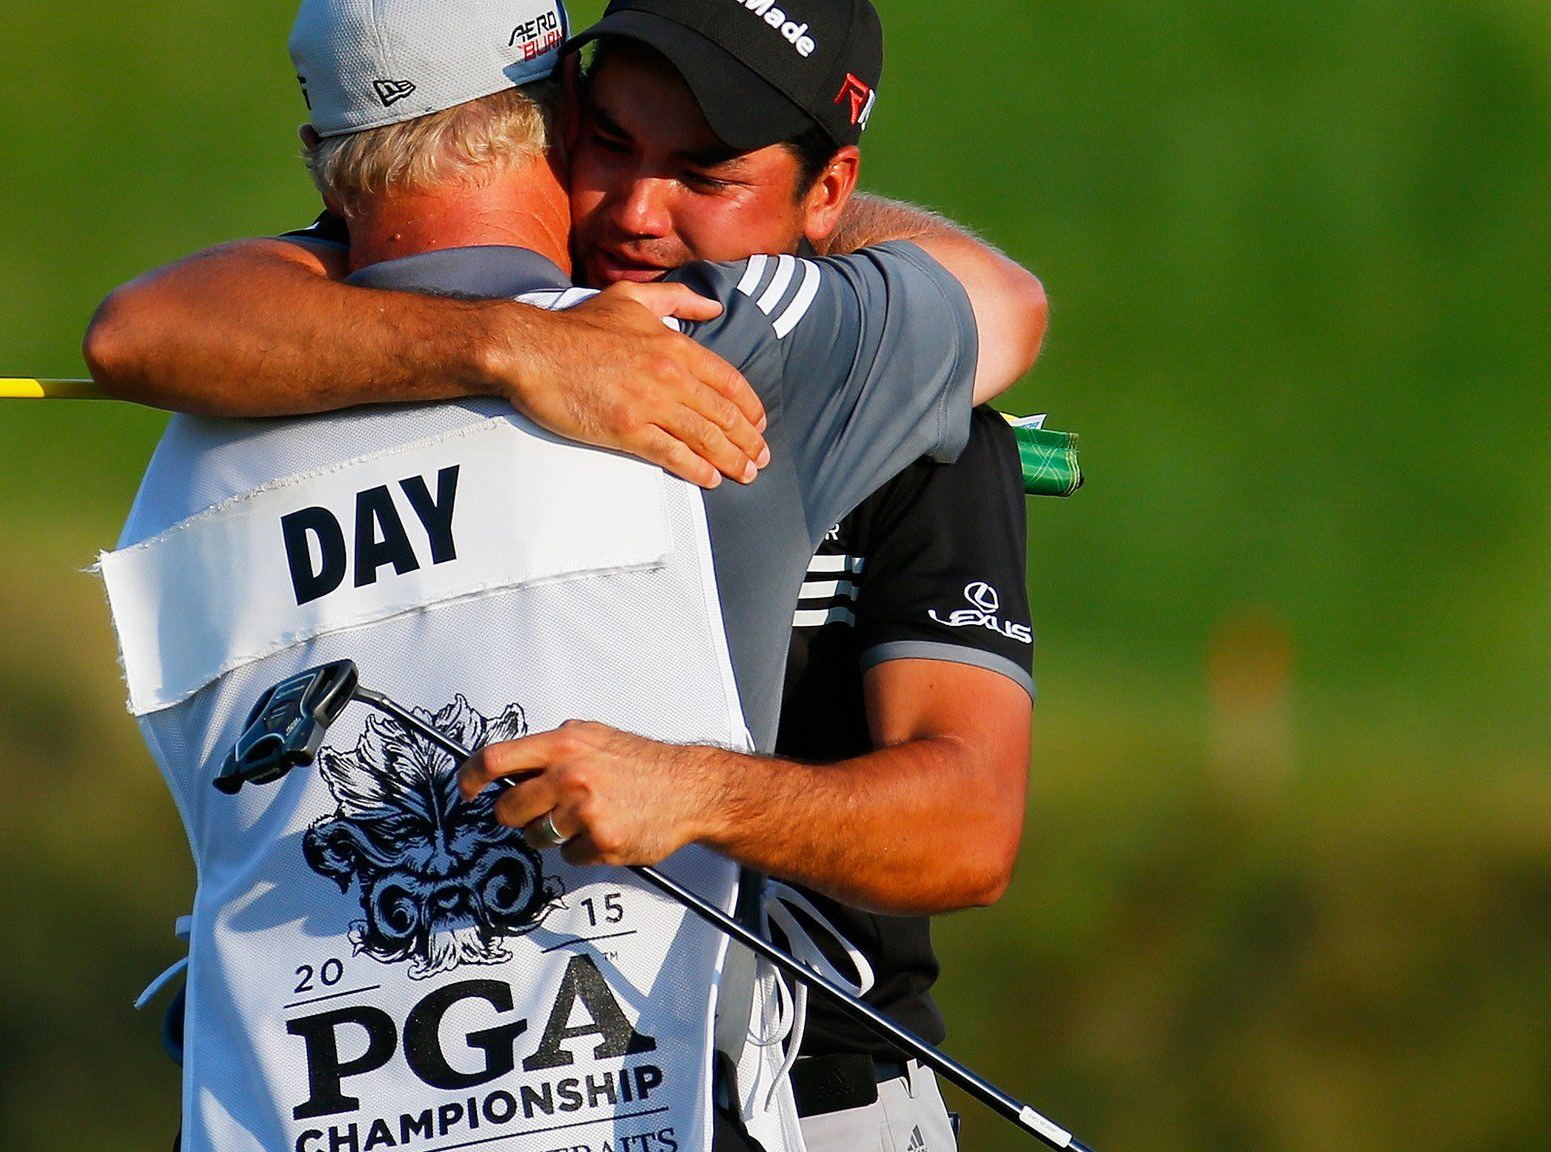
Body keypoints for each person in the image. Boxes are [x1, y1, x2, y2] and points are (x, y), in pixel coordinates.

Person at [88, 4, 1043, 1151]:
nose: (639, 214)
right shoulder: (336, 332)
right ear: (551, 129)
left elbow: (967, 830)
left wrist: (690, 791)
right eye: (611, 144)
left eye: (705, 171)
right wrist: (519, 344)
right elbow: (140, 329)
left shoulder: (222, 408)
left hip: (819, 1086)